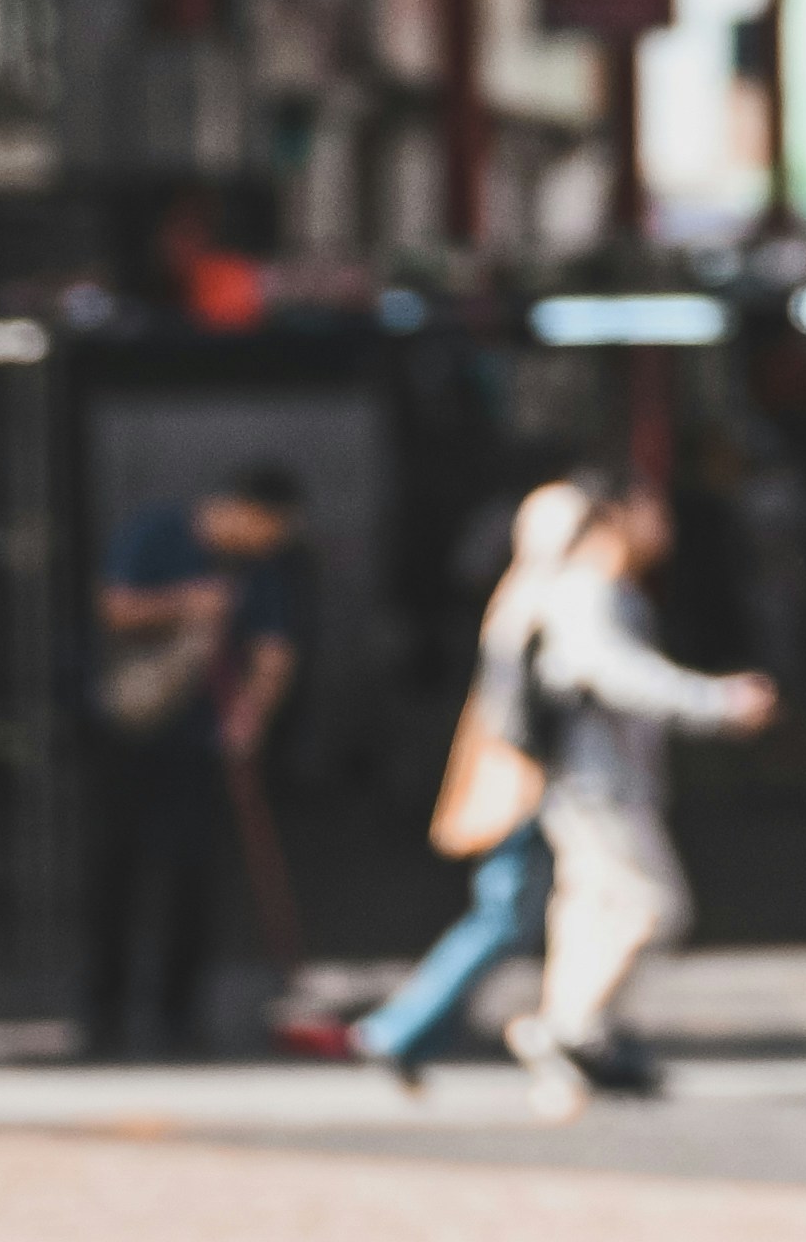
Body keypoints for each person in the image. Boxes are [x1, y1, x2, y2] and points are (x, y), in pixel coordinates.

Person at [310, 477, 593, 1087]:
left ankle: (427, 1030)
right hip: (526, 782)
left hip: (522, 776)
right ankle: (407, 1029)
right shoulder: (544, 599)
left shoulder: (528, 593)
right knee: (514, 913)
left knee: (525, 912)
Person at [510, 483, 774, 1117]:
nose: (664, 527)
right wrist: (717, 704)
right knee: (652, 906)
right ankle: (568, 1031)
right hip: (599, 783)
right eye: (653, 512)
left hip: (590, 780)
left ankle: (570, 1043)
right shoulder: (586, 591)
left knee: (588, 910)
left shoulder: (585, 591)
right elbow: (614, 673)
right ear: (614, 519)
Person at [74, 460, 304, 1059]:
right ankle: (103, 1013)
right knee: (114, 872)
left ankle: (178, 1015)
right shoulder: (157, 535)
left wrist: (248, 716)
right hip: (128, 732)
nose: (269, 544)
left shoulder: (260, 572)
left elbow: (274, 652)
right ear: (246, 510)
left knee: (191, 878)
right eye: (269, 530)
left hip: (201, 744)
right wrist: (189, 604)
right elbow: (115, 608)